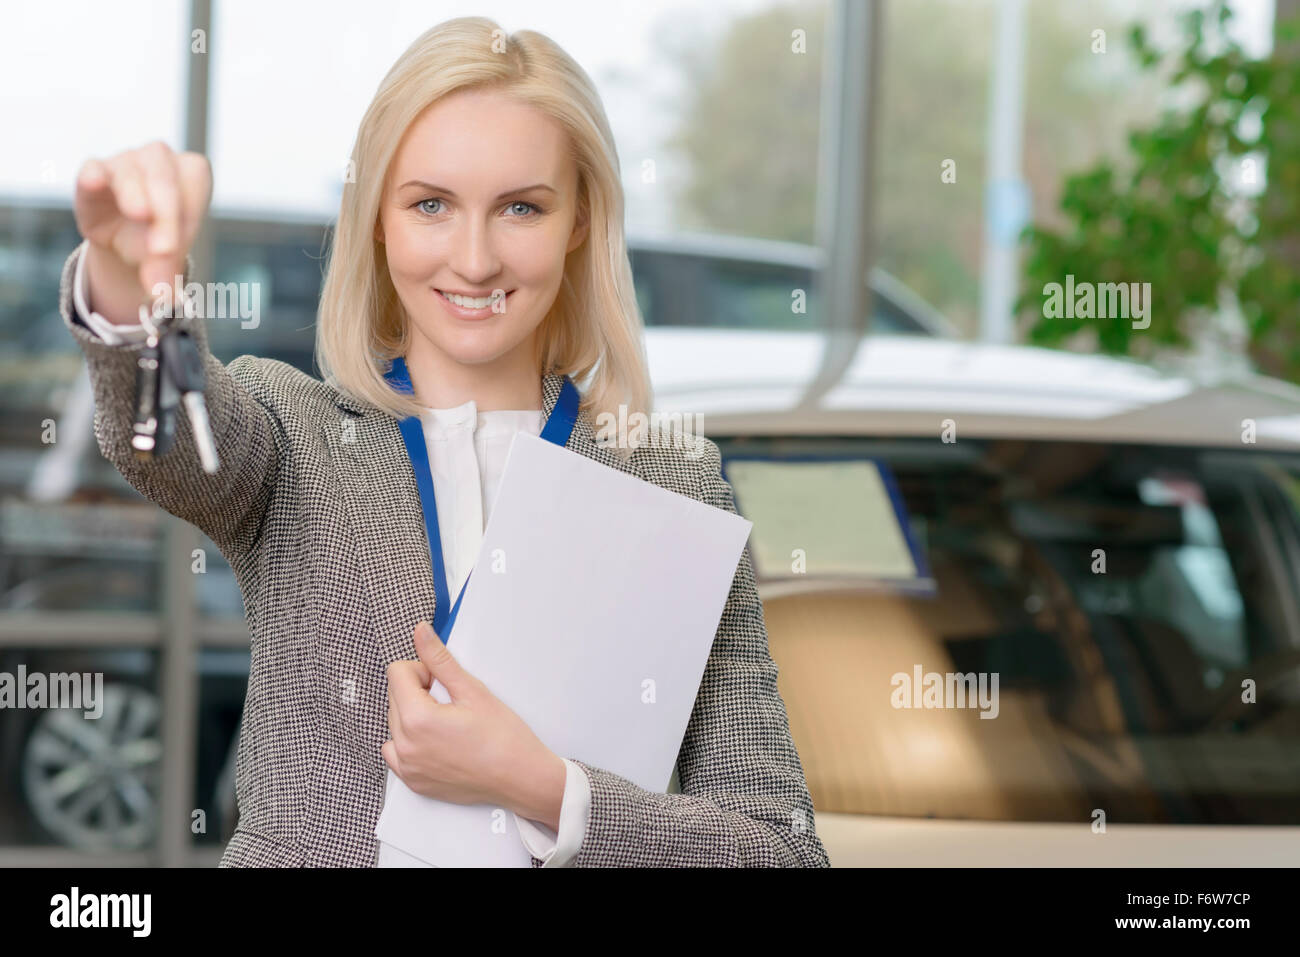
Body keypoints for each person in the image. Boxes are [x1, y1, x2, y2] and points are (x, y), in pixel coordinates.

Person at [59, 15, 829, 868]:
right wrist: (127, 291)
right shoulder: (296, 442)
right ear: (379, 218)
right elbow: (167, 445)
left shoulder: (671, 487)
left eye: (521, 208)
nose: (474, 258)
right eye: (431, 203)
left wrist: (542, 785)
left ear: (579, 220)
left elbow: (780, 849)